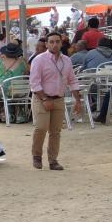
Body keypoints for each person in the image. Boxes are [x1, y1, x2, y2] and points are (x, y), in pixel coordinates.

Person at [29, 32, 82, 170]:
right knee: (41, 128)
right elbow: (34, 83)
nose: (55, 44)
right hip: (41, 98)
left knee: (56, 131)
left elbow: (72, 80)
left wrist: (78, 100)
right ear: (46, 44)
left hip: (59, 99)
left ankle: (53, 160)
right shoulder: (39, 60)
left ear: (61, 43)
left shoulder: (67, 60)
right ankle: (36, 156)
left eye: (57, 41)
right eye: (51, 42)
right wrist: (45, 99)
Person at [0, 42, 29, 123]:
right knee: (4, 89)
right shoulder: (23, 62)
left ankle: (2, 114)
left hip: (4, 91)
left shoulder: (0, 62)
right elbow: (26, 73)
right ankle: (18, 115)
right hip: (21, 91)